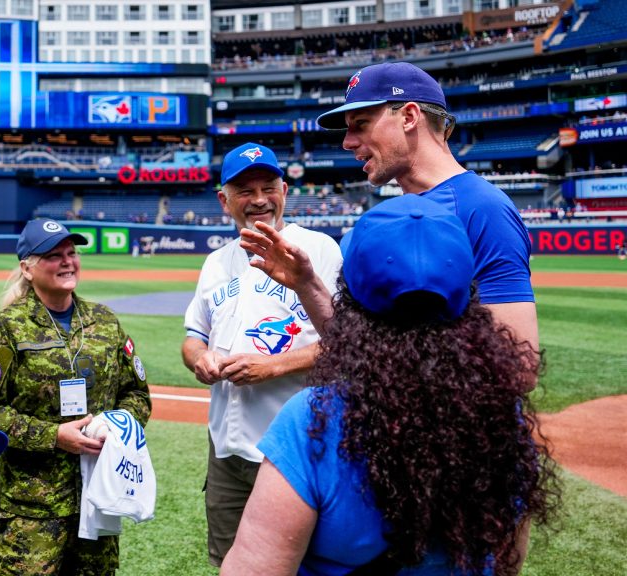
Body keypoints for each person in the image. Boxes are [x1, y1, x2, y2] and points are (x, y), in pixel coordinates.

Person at [222, 194, 559, 576]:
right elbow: (505, 564)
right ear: (469, 299)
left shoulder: (312, 421)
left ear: (349, 299)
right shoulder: (501, 417)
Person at [253, 62, 537, 381]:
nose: (347, 142)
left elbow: (517, 368)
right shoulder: (396, 214)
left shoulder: (482, 207)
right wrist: (307, 285)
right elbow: (355, 344)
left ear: (409, 117)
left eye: (360, 124)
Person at [181, 142, 342, 568]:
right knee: (231, 561)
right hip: (226, 450)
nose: (258, 200)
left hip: (292, 447)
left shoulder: (320, 250)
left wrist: (271, 366)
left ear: (284, 191)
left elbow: (349, 345)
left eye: (268, 187)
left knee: (300, 563)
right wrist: (200, 359)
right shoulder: (216, 263)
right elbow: (193, 337)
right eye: (244, 190)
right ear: (224, 200)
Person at [0, 219, 152, 576]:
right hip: (32, 506)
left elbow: (136, 392)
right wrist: (53, 437)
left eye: (71, 253)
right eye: (53, 255)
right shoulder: (8, 326)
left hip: (98, 495)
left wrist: (118, 425)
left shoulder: (104, 321)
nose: (67, 261)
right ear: (27, 268)